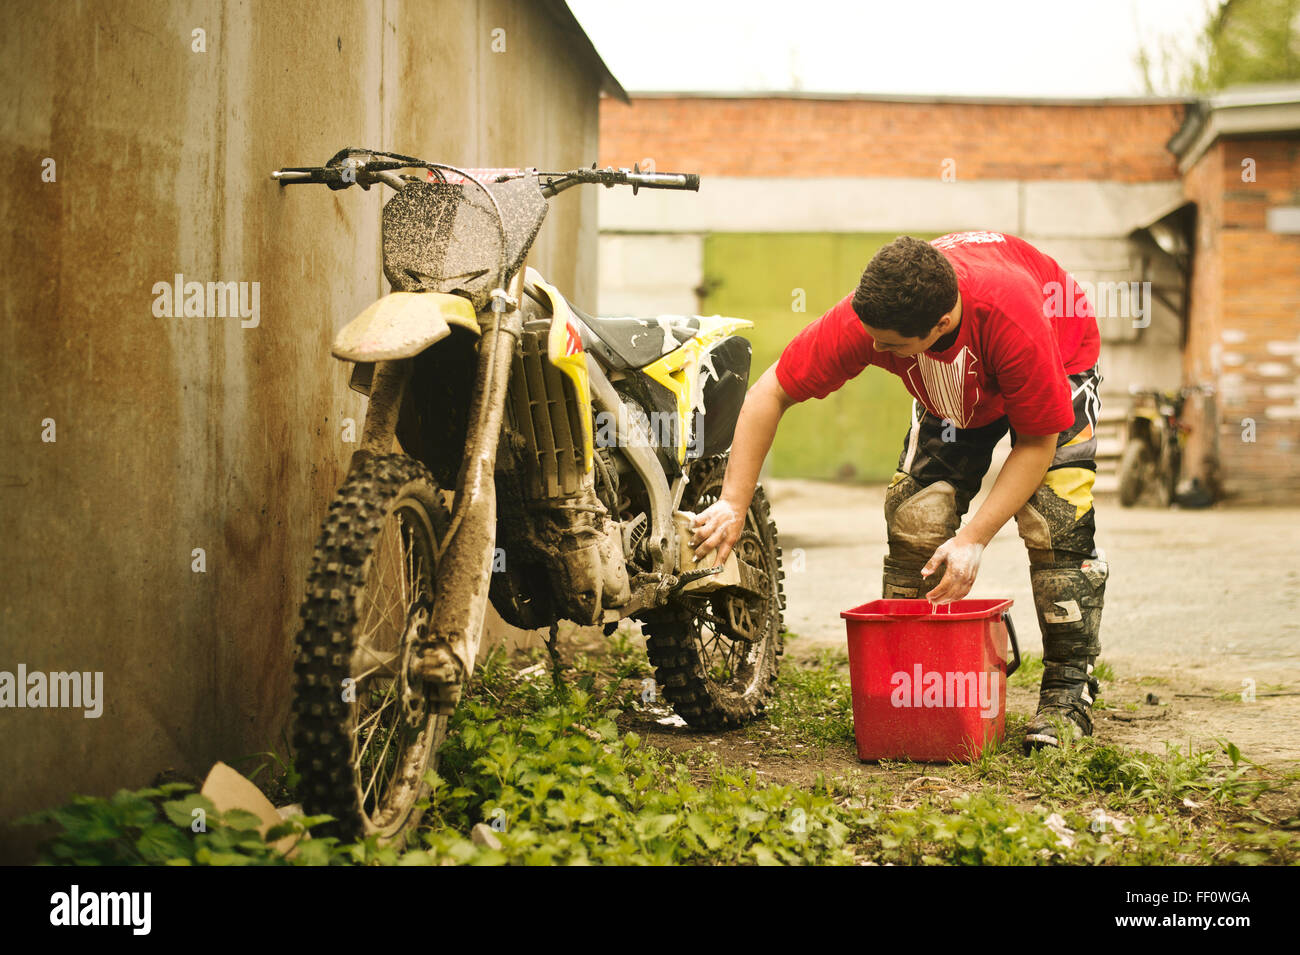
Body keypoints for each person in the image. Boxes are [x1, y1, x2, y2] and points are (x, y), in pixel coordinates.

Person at [690, 232, 1107, 752]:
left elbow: (1036, 445)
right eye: (874, 339)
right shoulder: (868, 321)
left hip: (1056, 354)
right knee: (918, 514)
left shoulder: (1013, 316)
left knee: (1053, 517)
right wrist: (732, 502)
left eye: (890, 346)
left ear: (939, 325)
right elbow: (769, 394)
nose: (875, 351)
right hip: (957, 383)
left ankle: (1068, 692)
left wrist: (974, 539)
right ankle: (911, 680)